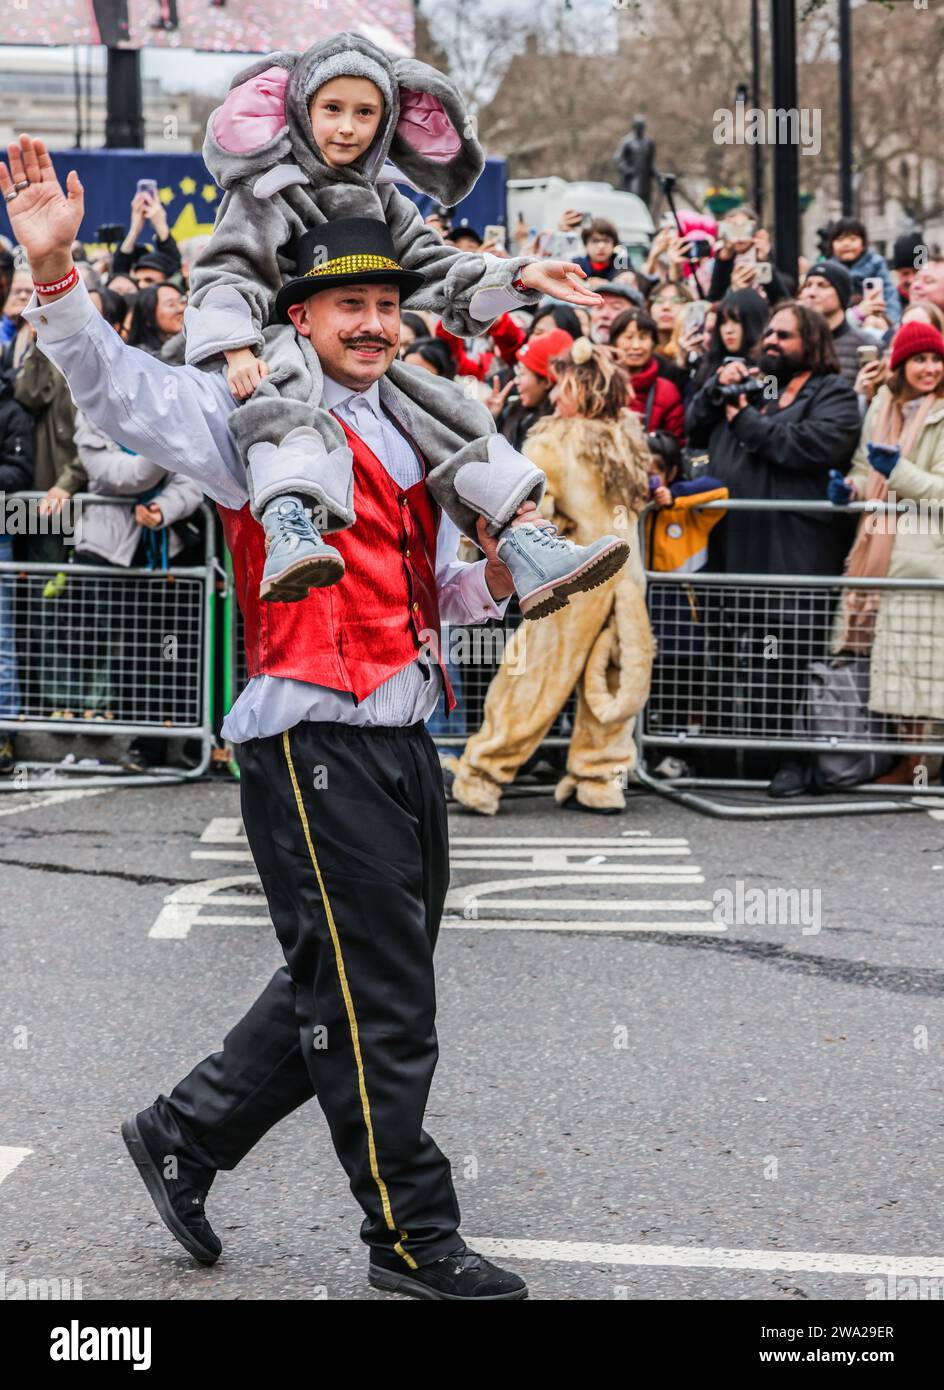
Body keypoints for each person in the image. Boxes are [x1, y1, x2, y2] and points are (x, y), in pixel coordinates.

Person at [9, 130, 536, 1300]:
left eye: (384, 304)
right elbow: (116, 392)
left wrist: (495, 576)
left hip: (403, 734)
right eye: (346, 303)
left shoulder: (419, 419)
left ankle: (183, 1135)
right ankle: (408, 1230)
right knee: (382, 993)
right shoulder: (246, 415)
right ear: (297, 316)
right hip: (309, 734)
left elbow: (439, 589)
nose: (372, 323)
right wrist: (56, 276)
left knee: (338, 976)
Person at [183, 35, 627, 615]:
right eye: (332, 109)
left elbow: (434, 266)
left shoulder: (386, 198)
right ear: (299, 111)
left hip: (358, 354)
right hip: (281, 338)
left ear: (387, 119)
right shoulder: (269, 190)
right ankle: (290, 524)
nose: (347, 128)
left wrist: (519, 276)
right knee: (287, 382)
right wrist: (239, 350)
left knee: (450, 405)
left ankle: (521, 539)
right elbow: (226, 270)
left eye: (365, 112)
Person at [449, 337, 654, 814]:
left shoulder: (564, 440)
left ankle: (594, 775)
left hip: (589, 581)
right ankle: (488, 769)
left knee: (588, 678)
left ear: (582, 387)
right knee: (546, 676)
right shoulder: (618, 439)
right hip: (590, 580)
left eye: (564, 383)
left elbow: (524, 509)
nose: (556, 392)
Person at [685, 301, 862, 796]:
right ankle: (727, 756)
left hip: (794, 551)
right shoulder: (751, 386)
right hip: (731, 546)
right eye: (770, 334)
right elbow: (694, 427)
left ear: (813, 342)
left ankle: (791, 761)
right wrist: (717, 388)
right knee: (725, 651)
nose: (772, 343)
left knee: (786, 657)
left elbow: (811, 446)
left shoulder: (834, 393)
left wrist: (745, 422)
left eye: (785, 336)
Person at [828, 319, 944, 785]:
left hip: (922, 555)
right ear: (900, 364)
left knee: (917, 668)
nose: (930, 368)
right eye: (919, 359)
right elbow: (864, 465)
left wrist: (898, 472)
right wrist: (851, 489)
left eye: (936, 359)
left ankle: (917, 765)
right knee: (891, 662)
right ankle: (906, 760)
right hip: (876, 549)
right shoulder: (883, 405)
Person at [643, 430, 728, 779]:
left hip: (681, 612)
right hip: (643, 609)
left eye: (655, 472)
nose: (648, 481)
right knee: (648, 690)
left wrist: (673, 496)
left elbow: (719, 489)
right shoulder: (634, 508)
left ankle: (681, 755)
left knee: (681, 687)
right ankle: (649, 755)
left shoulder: (687, 507)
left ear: (672, 472)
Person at [488, 326, 573, 450]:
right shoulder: (514, 409)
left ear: (547, 382)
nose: (516, 380)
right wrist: (492, 417)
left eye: (522, 373)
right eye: (518, 371)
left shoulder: (557, 434)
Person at [609, 307, 685, 443]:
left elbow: (676, 442)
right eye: (628, 337)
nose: (636, 346)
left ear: (653, 344)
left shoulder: (666, 391)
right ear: (615, 342)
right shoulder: (601, 384)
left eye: (643, 337)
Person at [798, 260, 875, 386]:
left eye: (822, 285)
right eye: (807, 285)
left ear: (841, 294)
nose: (811, 293)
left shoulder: (866, 344)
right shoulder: (792, 342)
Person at [828, 217, 901, 325]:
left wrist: (890, 322)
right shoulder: (828, 269)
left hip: (874, 320)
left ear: (863, 244)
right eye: (840, 239)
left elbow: (890, 295)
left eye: (852, 239)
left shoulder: (876, 264)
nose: (846, 244)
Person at [111, 188, 182, 283]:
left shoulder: (169, 292)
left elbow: (174, 263)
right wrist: (134, 230)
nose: (141, 285)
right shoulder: (133, 295)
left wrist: (161, 226)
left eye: (149, 280)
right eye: (137, 280)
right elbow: (119, 274)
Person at [892, 230, 924, 308]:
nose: (912, 280)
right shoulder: (890, 302)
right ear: (897, 272)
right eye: (905, 273)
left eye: (917, 272)